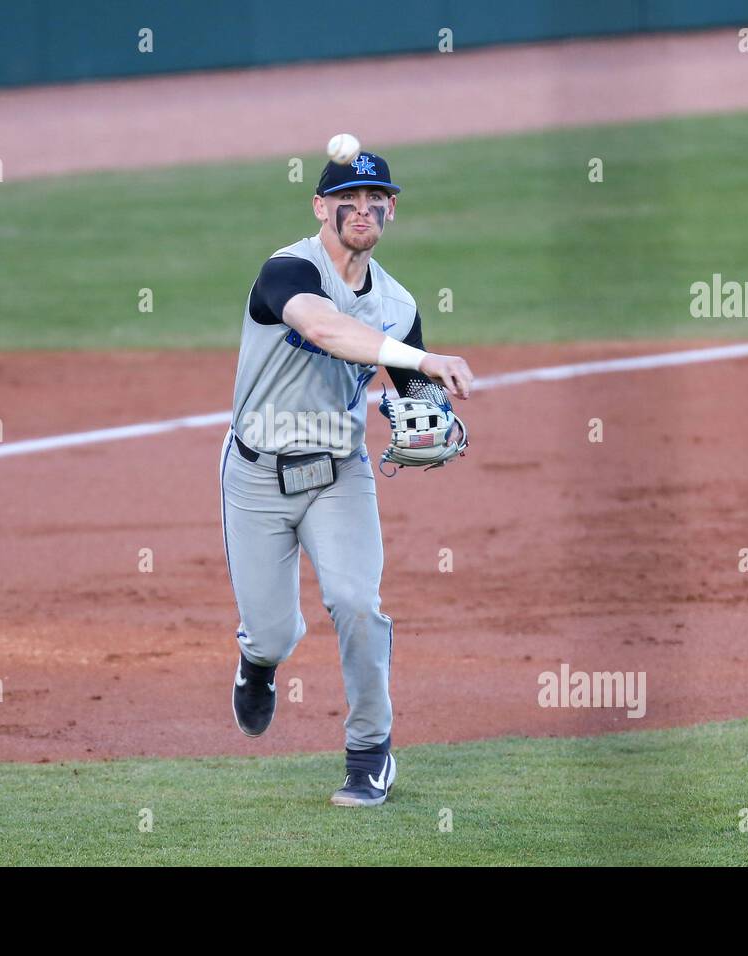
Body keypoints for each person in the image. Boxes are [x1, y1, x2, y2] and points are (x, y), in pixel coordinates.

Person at [219, 149, 474, 807]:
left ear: (391, 209)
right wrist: (420, 357)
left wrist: (431, 420)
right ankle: (259, 662)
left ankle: (370, 753)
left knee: (358, 604)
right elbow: (324, 327)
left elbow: (418, 397)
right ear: (320, 208)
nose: (363, 210)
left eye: (376, 199)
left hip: (340, 474)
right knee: (274, 631)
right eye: (349, 198)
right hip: (256, 475)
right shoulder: (288, 269)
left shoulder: (397, 304)